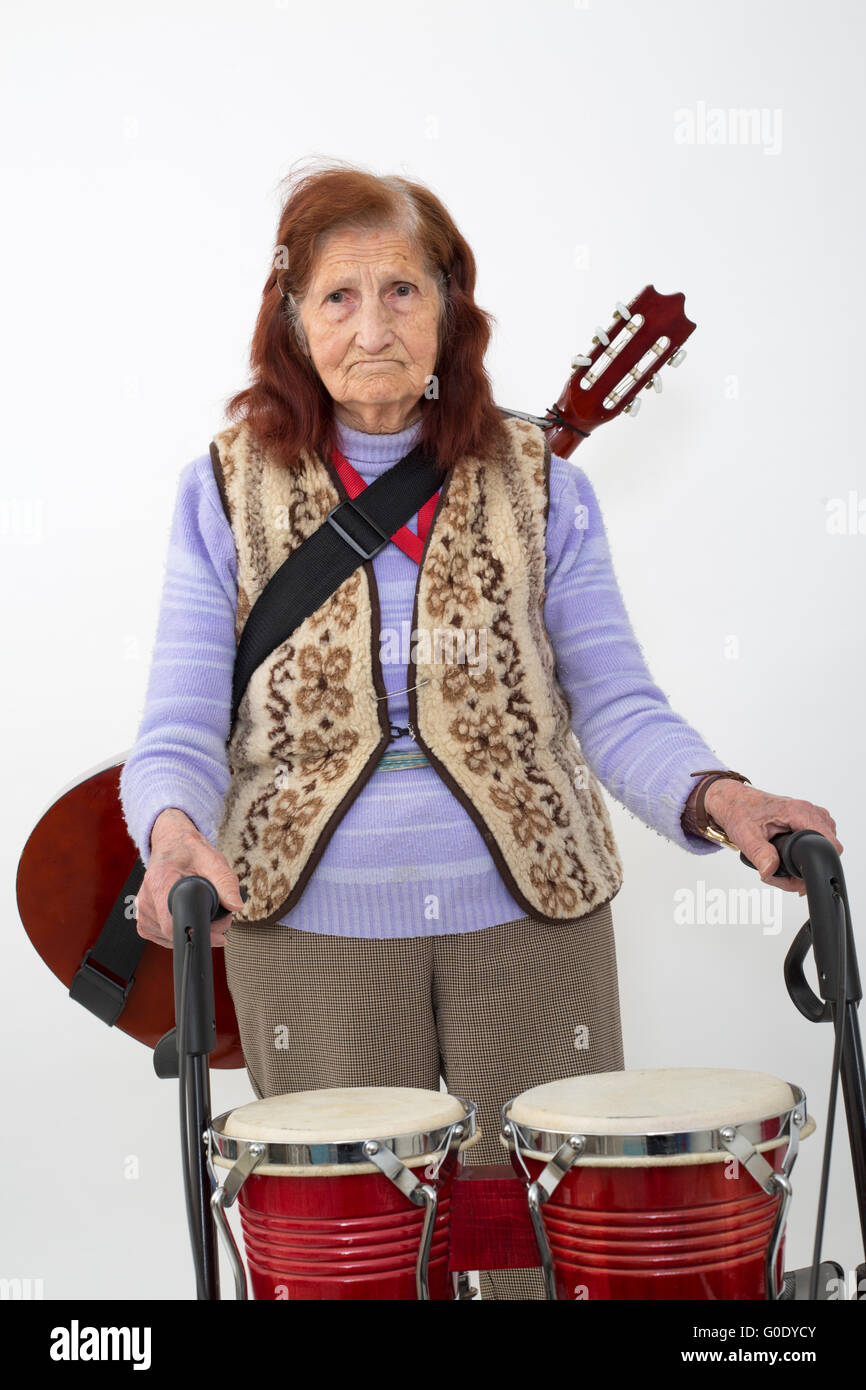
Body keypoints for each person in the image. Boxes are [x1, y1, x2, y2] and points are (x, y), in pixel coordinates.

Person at [121, 159, 842, 1300]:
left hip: (530, 918)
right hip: (307, 932)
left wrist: (720, 798)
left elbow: (612, 701)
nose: (372, 325)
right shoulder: (223, 490)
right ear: (291, 319)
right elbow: (177, 721)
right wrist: (169, 833)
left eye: (403, 289)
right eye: (338, 296)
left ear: (451, 310)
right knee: (351, 1271)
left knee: (546, 1264)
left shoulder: (538, 480)